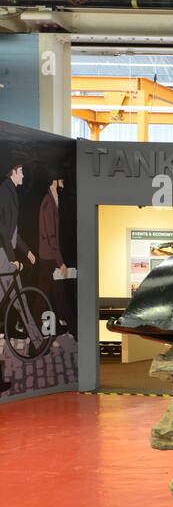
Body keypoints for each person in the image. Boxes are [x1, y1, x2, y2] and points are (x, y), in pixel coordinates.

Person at [0, 163, 35, 395]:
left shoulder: (10, 191)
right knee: (16, 294)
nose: (23, 174)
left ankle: (34, 335)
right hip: (1, 253)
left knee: (13, 295)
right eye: (21, 171)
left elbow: (13, 231)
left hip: (6, 251)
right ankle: (34, 336)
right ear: (12, 172)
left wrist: (27, 250)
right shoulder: (5, 191)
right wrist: (13, 259)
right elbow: (3, 229)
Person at [36, 175, 70, 332]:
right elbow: (51, 235)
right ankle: (62, 320)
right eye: (61, 179)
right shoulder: (49, 202)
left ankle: (64, 319)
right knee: (49, 290)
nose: (63, 182)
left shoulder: (52, 199)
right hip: (49, 255)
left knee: (55, 290)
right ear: (54, 181)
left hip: (48, 254)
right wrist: (60, 261)